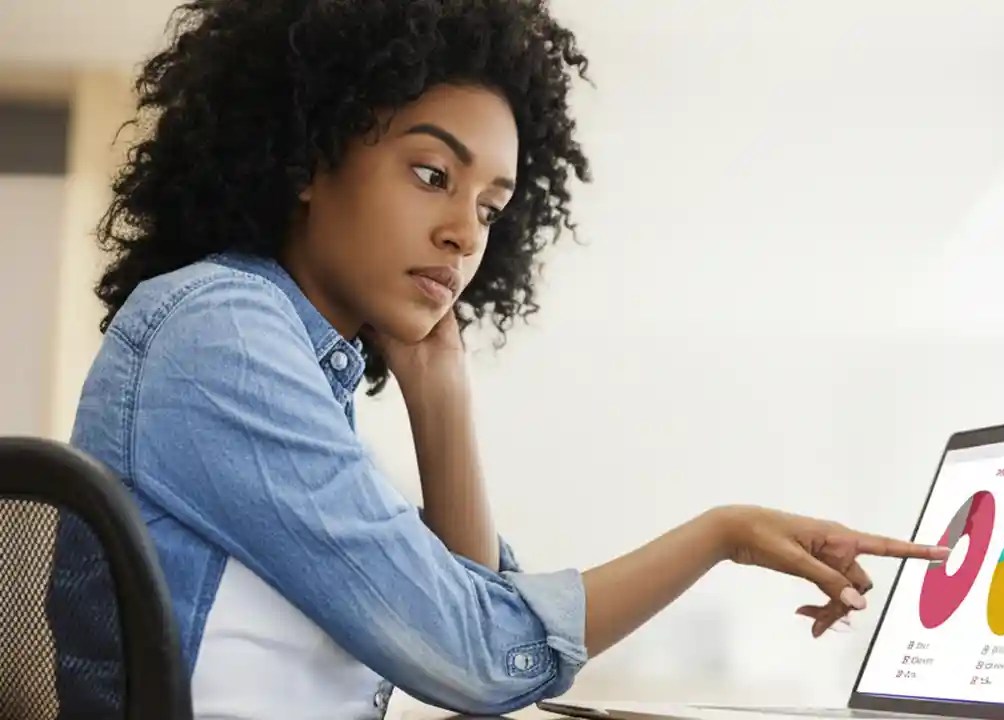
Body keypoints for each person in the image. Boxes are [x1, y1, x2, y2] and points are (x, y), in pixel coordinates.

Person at [50, 1, 948, 718]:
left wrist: (440, 392)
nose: (460, 234)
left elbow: (466, 616)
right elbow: (477, 660)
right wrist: (722, 535)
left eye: (490, 208)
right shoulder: (225, 338)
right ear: (307, 157)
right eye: (432, 175)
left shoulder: (285, 351)